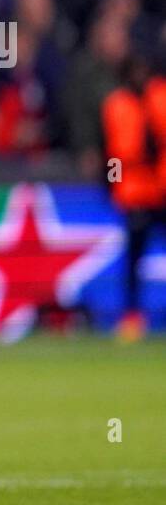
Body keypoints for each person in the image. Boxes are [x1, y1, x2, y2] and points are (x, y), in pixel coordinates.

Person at [101, 55, 166, 341]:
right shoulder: (117, 104)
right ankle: (131, 316)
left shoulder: (160, 96)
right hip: (135, 192)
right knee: (133, 260)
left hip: (161, 187)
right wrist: (115, 187)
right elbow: (112, 154)